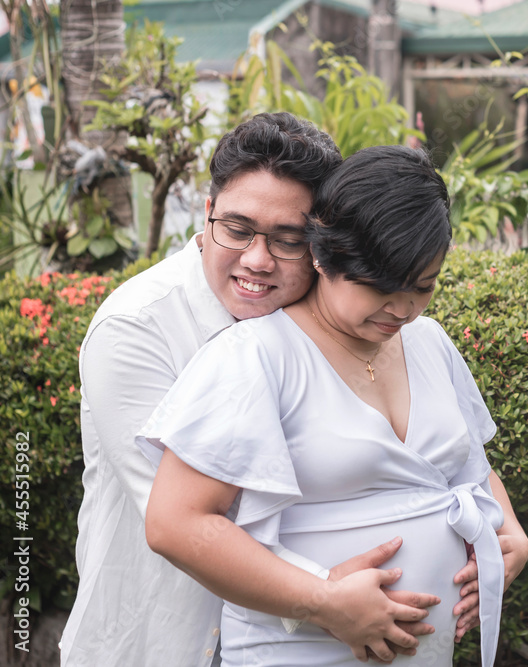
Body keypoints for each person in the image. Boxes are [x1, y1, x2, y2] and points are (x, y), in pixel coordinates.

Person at [61, 114, 479, 667]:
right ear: (207, 214)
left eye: (287, 239)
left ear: (321, 244)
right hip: (166, 636)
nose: (257, 260)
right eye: (237, 230)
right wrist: (329, 596)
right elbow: (197, 517)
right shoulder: (136, 328)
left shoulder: (338, 329)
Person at [140, 145, 528, 666]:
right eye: (379, 288)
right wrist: (325, 601)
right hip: (299, 649)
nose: (403, 308)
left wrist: (508, 531)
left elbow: (466, 466)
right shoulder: (256, 357)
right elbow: (175, 524)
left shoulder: (429, 341)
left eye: (422, 287)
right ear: (322, 255)